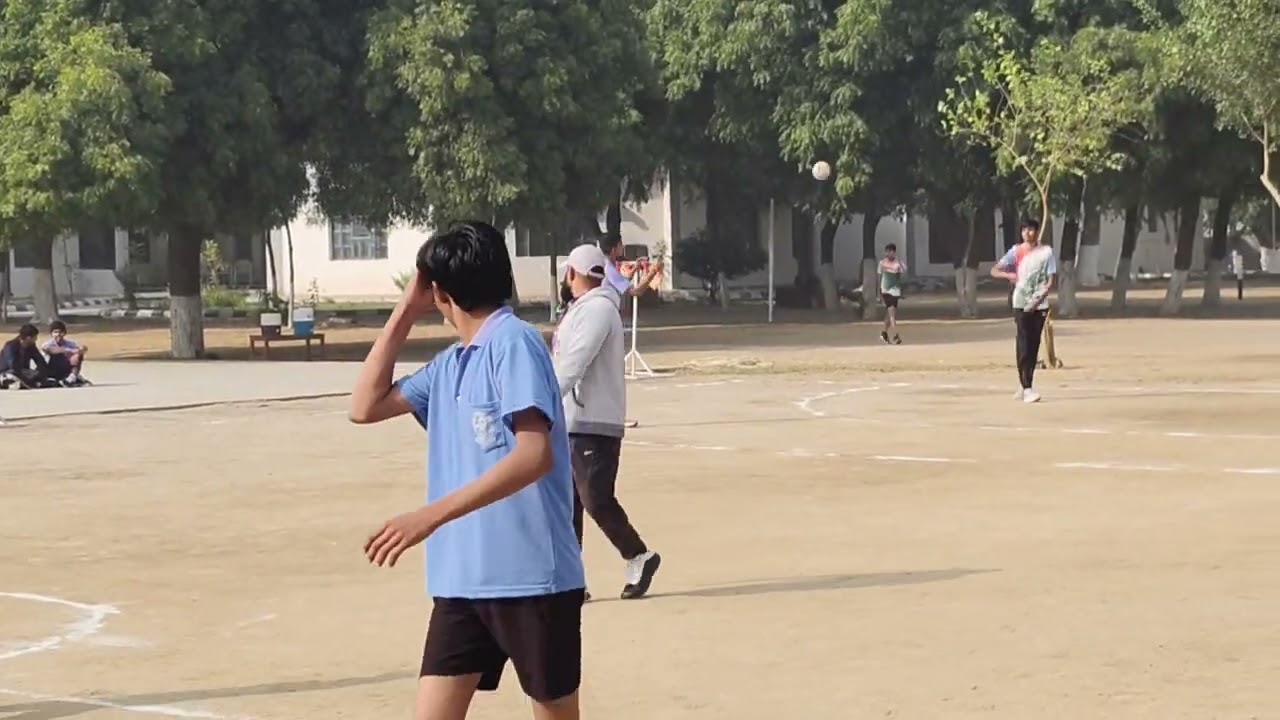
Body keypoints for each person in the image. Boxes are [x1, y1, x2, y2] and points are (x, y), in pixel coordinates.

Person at [349, 222, 585, 720]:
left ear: (440, 290)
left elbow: (533, 454)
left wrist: (428, 516)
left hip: (531, 582)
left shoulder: (514, 343)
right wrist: (405, 310)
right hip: (462, 585)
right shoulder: (450, 364)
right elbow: (364, 406)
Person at [554, 244, 662, 602]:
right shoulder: (582, 308)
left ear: (573, 273)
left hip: (593, 420)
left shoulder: (598, 309)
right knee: (569, 504)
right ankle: (572, 581)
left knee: (595, 498)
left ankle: (638, 556)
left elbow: (575, 362)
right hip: (573, 420)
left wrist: (544, 398)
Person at [600, 235, 663, 430]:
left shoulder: (605, 266)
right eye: (620, 246)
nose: (622, 249)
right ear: (614, 249)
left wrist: (635, 269)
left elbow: (620, 283)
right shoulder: (609, 268)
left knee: (606, 373)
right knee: (612, 374)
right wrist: (651, 273)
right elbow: (635, 291)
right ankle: (615, 418)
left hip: (603, 320)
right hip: (605, 322)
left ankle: (608, 416)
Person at [991, 218, 1056, 403]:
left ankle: (1025, 383)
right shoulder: (1016, 251)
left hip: (1039, 304)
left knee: (1034, 344)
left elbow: (1050, 280)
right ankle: (1027, 387)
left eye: (1031, 229)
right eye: (1024, 230)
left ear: (1036, 231)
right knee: (1023, 342)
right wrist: (1009, 275)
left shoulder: (1046, 252)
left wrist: (1039, 298)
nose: (1027, 233)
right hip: (1021, 302)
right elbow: (994, 270)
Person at [0, 324, 52, 389]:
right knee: (10, 376)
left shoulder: (31, 346)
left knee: (35, 374)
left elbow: (40, 361)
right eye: (35, 337)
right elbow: (13, 365)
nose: (36, 339)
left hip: (24, 372)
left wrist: (42, 373)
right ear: (28, 338)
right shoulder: (10, 346)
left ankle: (20, 383)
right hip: (8, 371)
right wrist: (25, 377)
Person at [877, 243, 906, 345]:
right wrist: (879, 292)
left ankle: (884, 333)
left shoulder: (898, 263)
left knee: (889, 314)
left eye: (890, 251)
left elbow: (902, 276)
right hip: (886, 291)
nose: (888, 253)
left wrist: (901, 291)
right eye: (887, 251)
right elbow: (879, 278)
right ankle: (895, 335)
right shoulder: (882, 263)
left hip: (895, 291)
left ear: (894, 252)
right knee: (892, 314)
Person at [43, 321, 89, 386]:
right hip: (52, 369)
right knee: (57, 354)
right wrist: (68, 351)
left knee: (78, 355)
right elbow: (48, 349)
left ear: (64, 333)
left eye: (60, 332)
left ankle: (71, 377)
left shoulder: (70, 344)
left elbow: (82, 349)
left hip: (66, 368)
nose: (58, 334)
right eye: (55, 332)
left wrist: (82, 349)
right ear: (52, 334)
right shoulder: (48, 344)